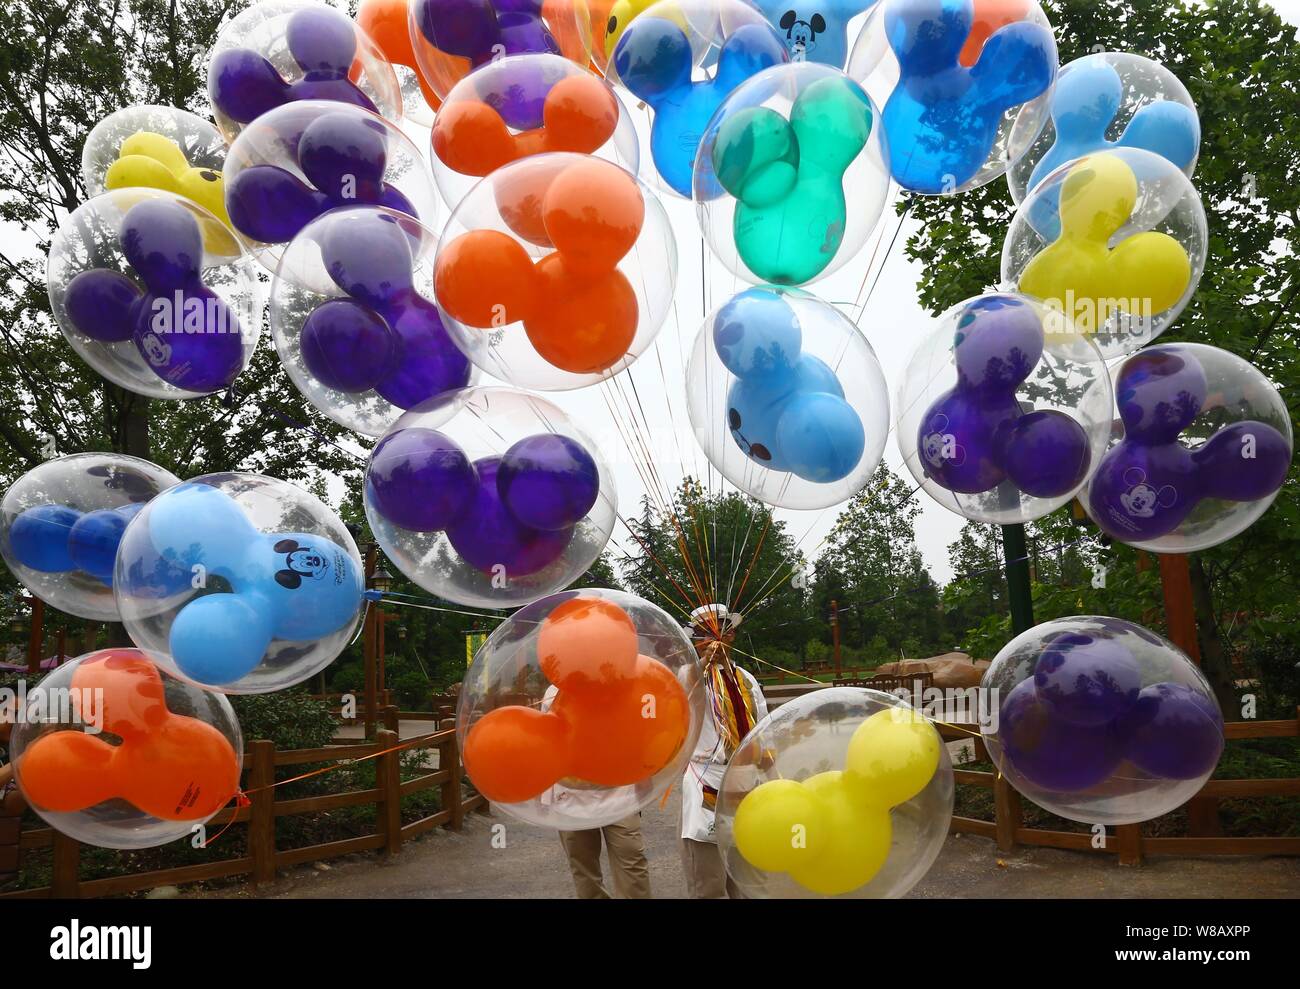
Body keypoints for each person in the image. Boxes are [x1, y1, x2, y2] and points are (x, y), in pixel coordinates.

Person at [679, 604, 768, 899]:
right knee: (708, 877)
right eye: (705, 633)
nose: (714, 639)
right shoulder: (689, 675)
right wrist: (703, 663)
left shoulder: (746, 679)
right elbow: (686, 693)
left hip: (743, 777)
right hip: (706, 776)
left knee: (746, 873)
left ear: (731, 635)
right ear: (696, 640)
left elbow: (762, 728)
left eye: (720, 631)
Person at [541, 685, 653, 899]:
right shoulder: (554, 693)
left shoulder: (620, 686)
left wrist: (642, 775)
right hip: (571, 797)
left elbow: (635, 732)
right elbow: (549, 743)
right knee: (584, 871)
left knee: (632, 862)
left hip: (620, 794)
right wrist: (546, 794)